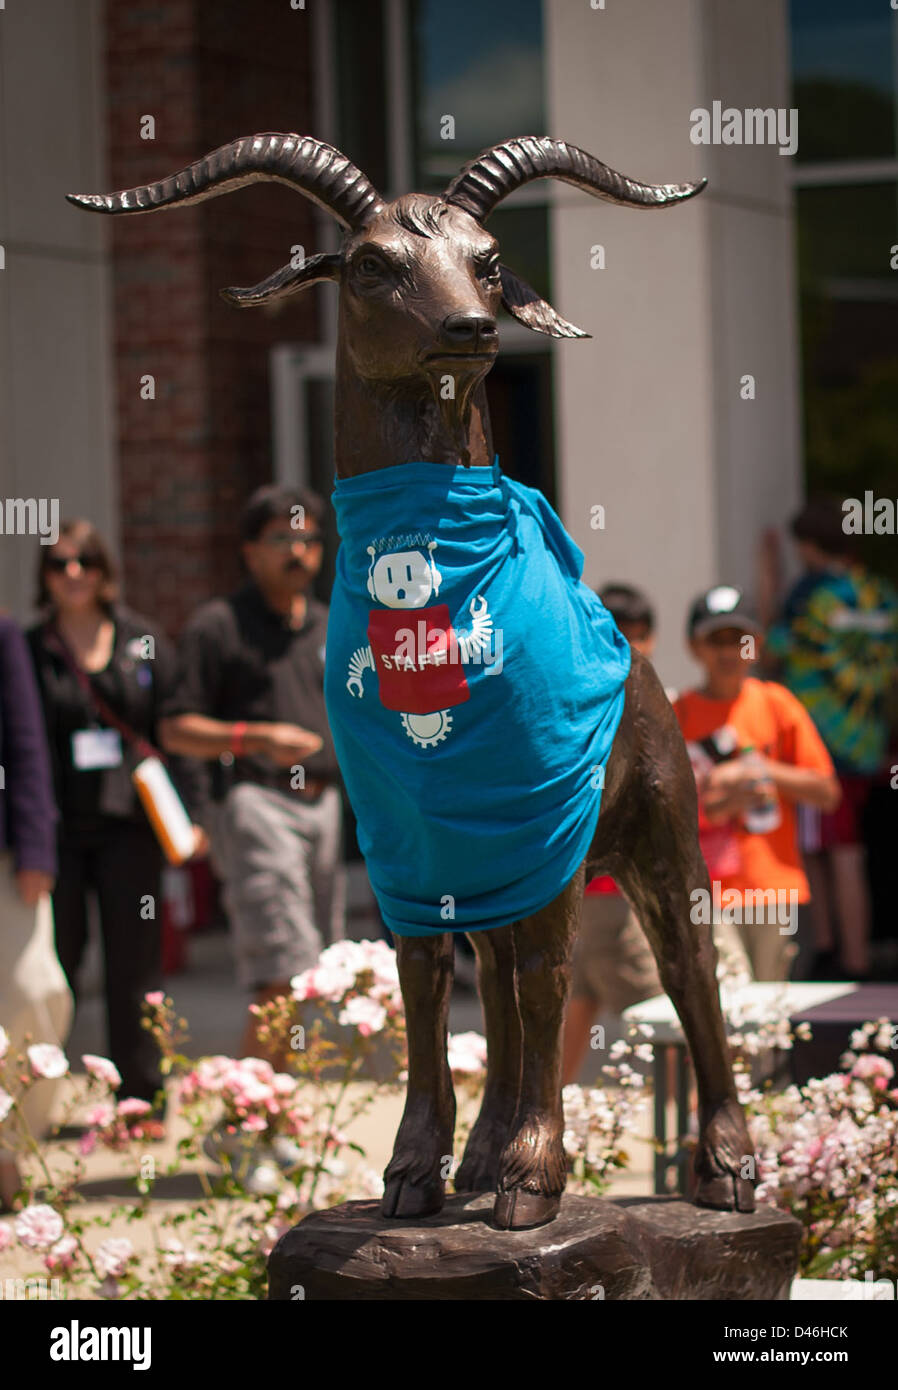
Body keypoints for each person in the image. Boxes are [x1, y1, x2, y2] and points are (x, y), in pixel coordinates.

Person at [159, 485, 345, 1064]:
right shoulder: (218, 625)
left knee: (314, 973)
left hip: (326, 808)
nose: (299, 552)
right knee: (281, 972)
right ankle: (248, 1123)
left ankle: (278, 1117)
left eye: (309, 540)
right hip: (257, 805)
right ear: (249, 551)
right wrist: (255, 738)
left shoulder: (329, 623)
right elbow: (174, 728)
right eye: (282, 539)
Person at [27, 520, 201, 1124]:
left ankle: (142, 1099)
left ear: (105, 571)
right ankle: (40, 1101)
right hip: (58, 832)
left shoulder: (143, 640)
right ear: (44, 577)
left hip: (131, 827)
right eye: (58, 564)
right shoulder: (31, 647)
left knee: (135, 967)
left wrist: (193, 812)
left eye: (85, 562)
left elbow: (174, 730)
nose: (73, 573)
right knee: (55, 967)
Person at [673, 584, 840, 981]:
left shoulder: (776, 704)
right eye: (716, 640)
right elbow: (664, 810)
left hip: (774, 888)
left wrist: (762, 769)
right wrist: (715, 803)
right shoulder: (678, 713)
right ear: (695, 647)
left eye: (739, 639)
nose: (729, 652)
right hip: (706, 892)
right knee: (728, 1009)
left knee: (771, 1018)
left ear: (757, 645)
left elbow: (827, 792)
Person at [760, 498, 898, 978]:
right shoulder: (880, 593)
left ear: (812, 546)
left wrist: (769, 583)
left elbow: (770, 650)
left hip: (820, 748)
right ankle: (847, 953)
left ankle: (838, 954)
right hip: (867, 744)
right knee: (847, 845)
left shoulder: (811, 596)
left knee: (831, 850)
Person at [562, 585, 663, 1085]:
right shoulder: (594, 706)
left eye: (640, 635)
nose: (630, 646)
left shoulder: (632, 701)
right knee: (665, 1016)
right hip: (606, 892)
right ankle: (688, 1135)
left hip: (590, 890)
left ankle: (535, 1119)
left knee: (578, 1004)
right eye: (619, 634)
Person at [0, 615, 72, 1210]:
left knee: (32, 993)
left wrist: (36, 845)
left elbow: (25, 742)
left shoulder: (3, 633)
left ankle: (14, 1140)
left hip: (6, 859)